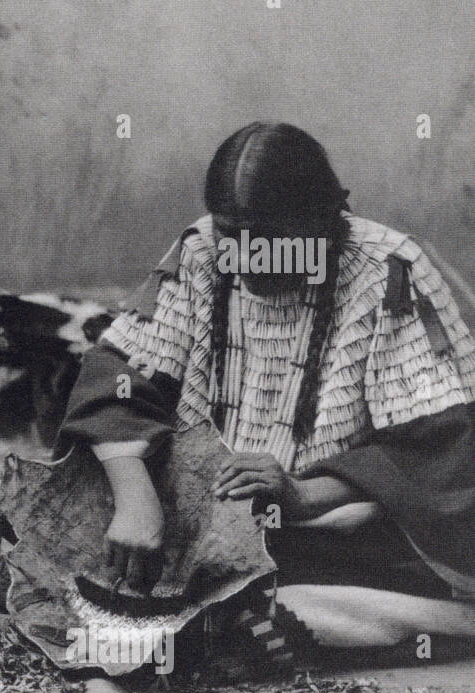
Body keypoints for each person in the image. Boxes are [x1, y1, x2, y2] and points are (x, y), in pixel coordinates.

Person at [59, 122, 475, 651]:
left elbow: (439, 450)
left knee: (288, 604)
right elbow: (116, 378)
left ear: (325, 222)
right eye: (234, 236)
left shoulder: (390, 271)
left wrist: (302, 494)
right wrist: (136, 498)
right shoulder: (201, 250)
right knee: (72, 533)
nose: (250, 255)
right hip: (198, 515)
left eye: (274, 240)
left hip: (334, 527)